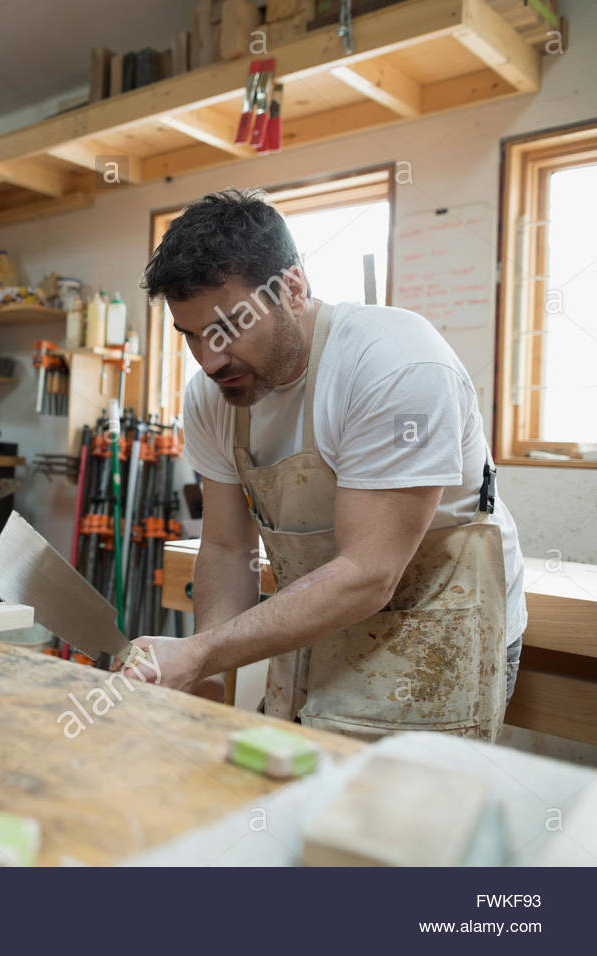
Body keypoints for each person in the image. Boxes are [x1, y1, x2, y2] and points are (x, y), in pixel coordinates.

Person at [126, 188, 525, 742]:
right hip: (316, 621)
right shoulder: (211, 396)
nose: (209, 359)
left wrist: (195, 653)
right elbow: (225, 547)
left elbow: (368, 573)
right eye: (190, 335)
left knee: (392, 821)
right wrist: (208, 676)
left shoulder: (393, 364)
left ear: (291, 289)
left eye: (226, 328)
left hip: (434, 625)